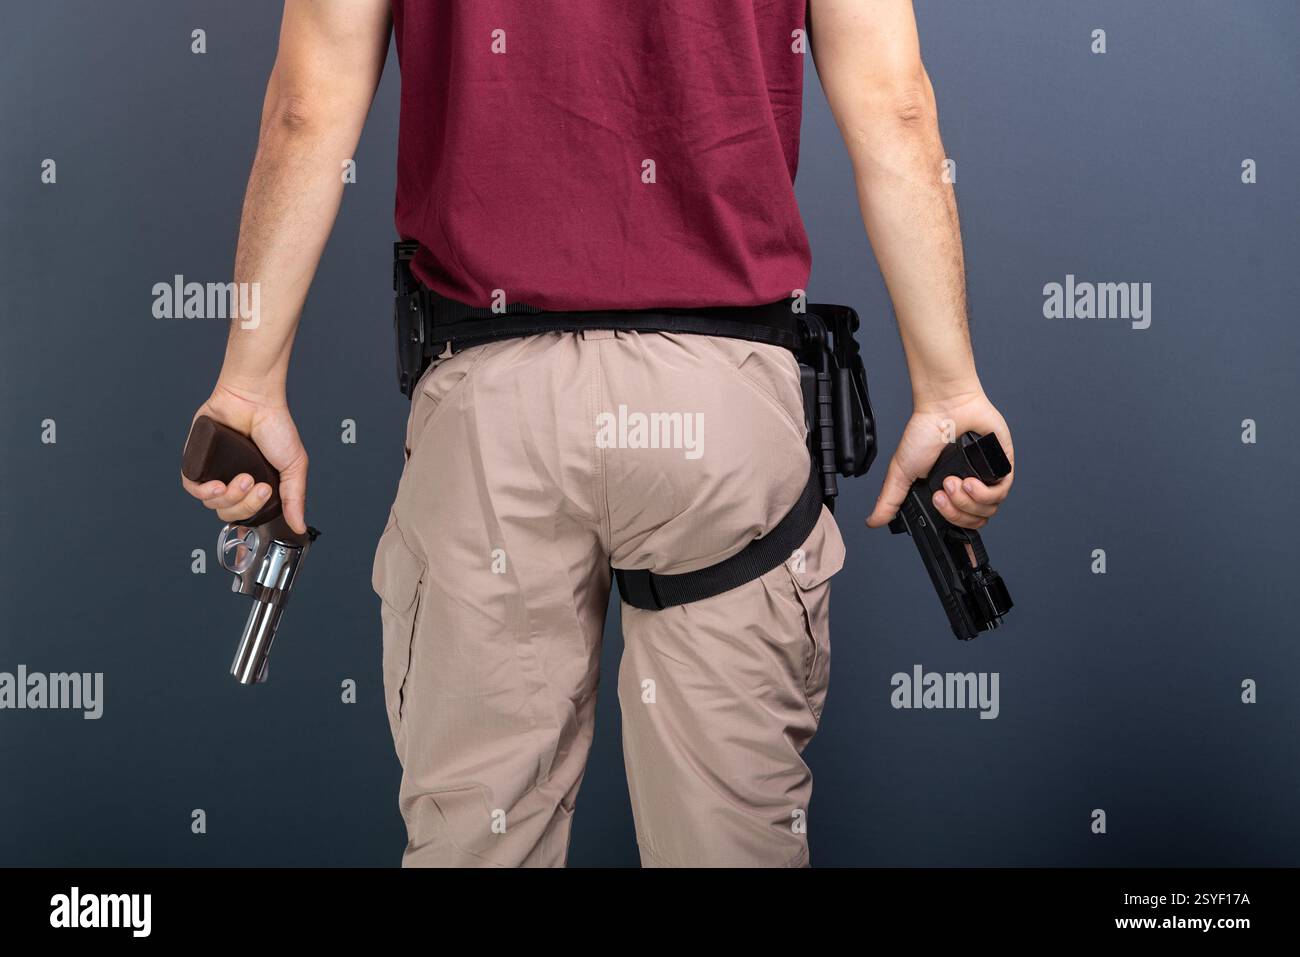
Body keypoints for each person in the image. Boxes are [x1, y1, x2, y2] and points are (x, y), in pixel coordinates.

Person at [180, 0, 1014, 867]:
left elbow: (306, 104)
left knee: (477, 841)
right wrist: (948, 388)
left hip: (493, 417)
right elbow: (897, 104)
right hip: (719, 412)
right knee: (733, 845)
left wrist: (249, 381)